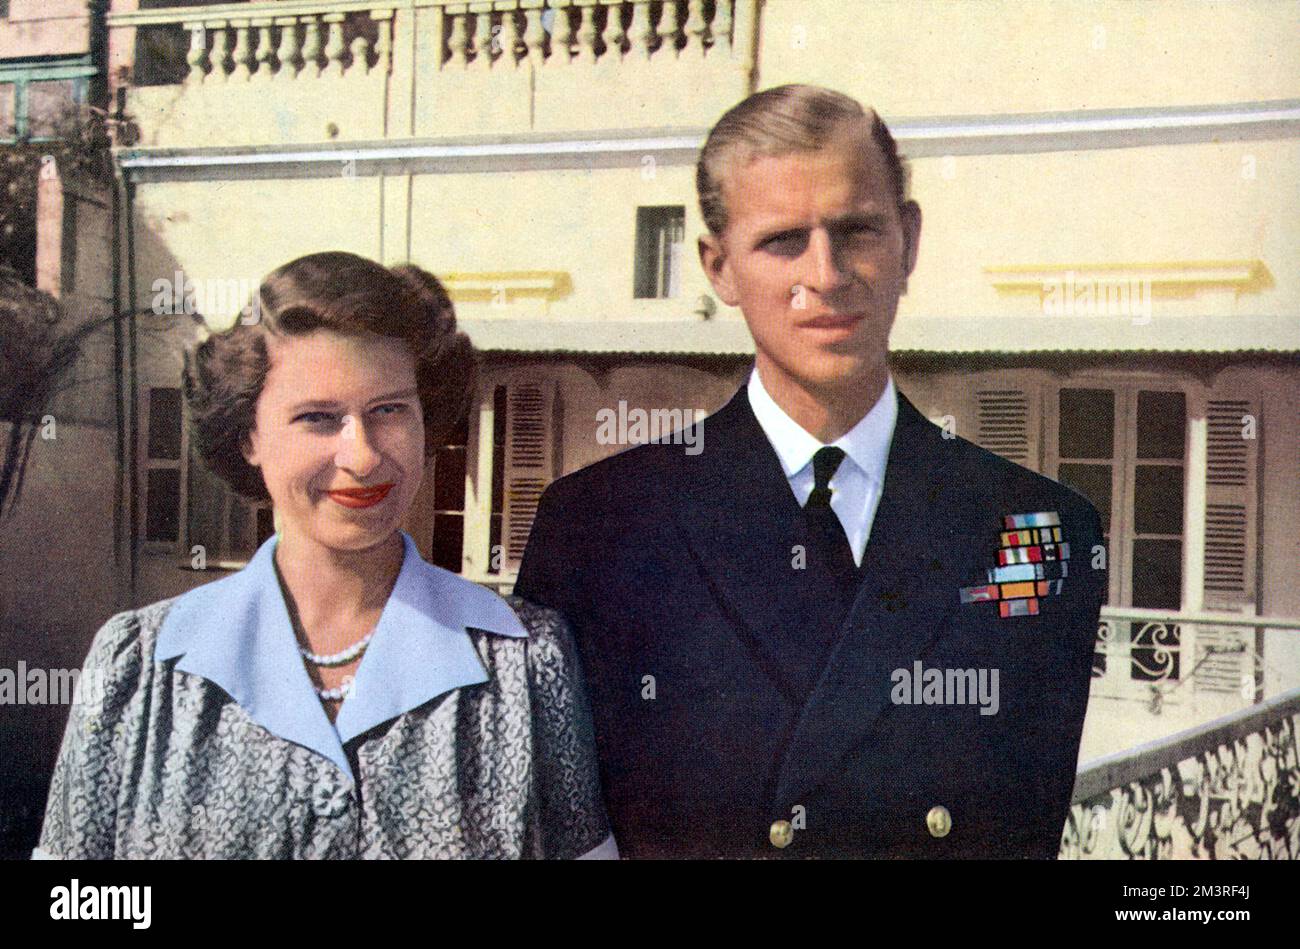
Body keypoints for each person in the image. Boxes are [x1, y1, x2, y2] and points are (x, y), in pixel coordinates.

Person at [515, 85, 1106, 858]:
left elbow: (1019, 831)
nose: (826, 275)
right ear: (718, 267)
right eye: (784, 241)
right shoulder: (601, 526)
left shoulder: (1035, 531)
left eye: (857, 230)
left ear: (910, 241)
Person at [37, 252, 614, 859]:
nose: (361, 455)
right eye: (318, 418)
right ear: (248, 436)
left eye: (389, 410)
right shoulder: (138, 667)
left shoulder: (525, 664)